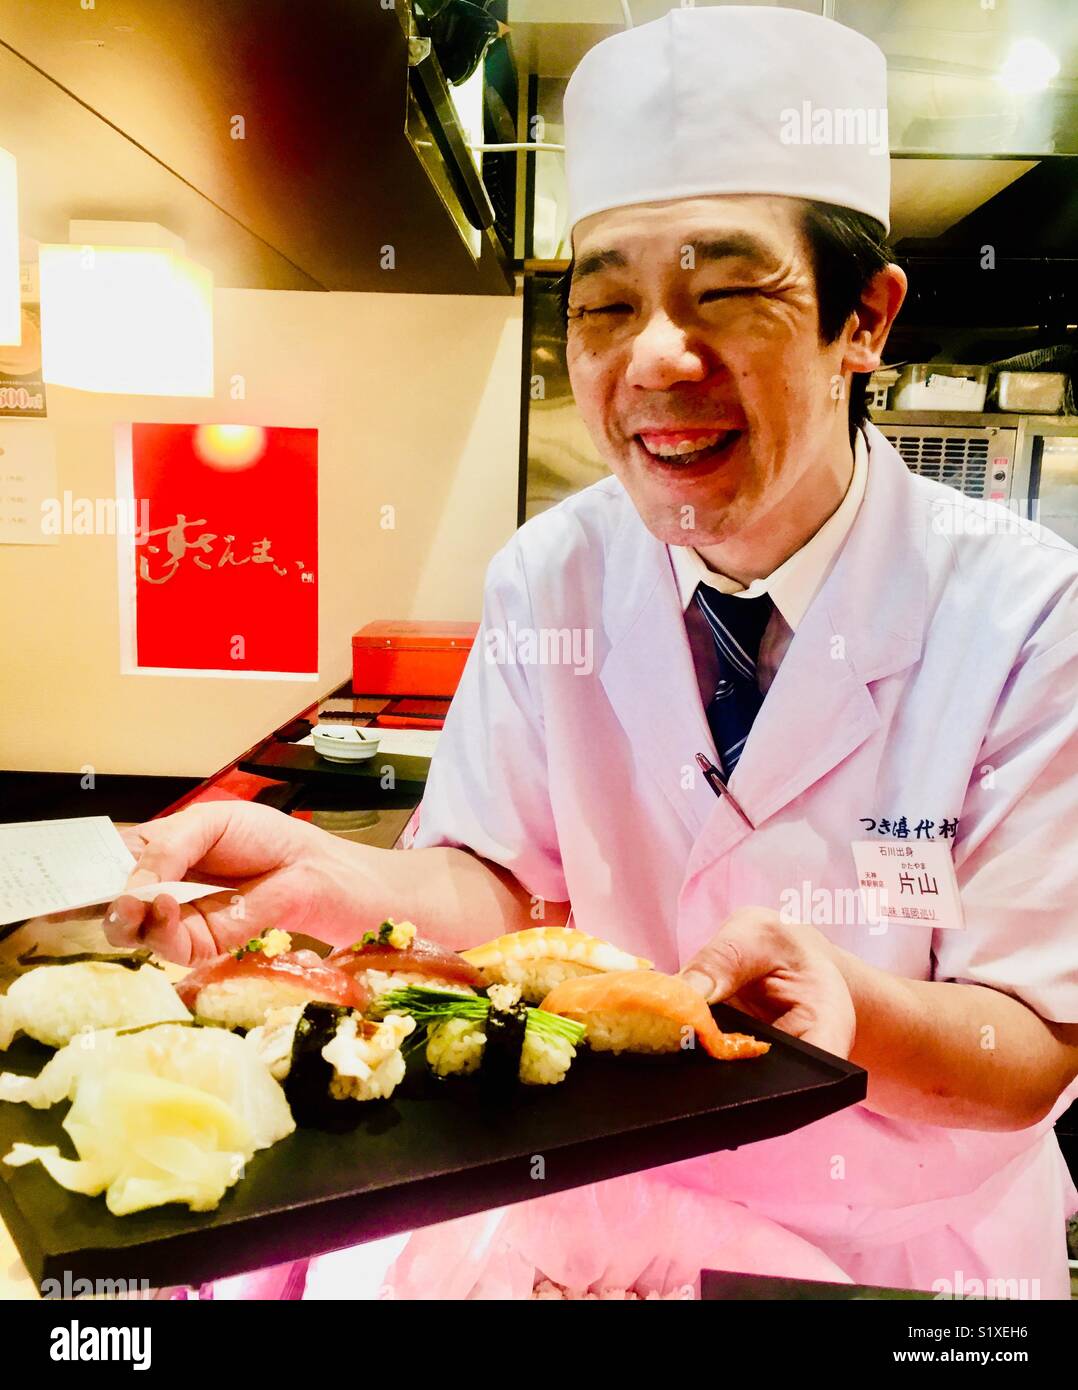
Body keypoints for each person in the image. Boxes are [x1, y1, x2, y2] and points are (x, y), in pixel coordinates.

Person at [106, 8, 1078, 1295]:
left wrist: (853, 1001)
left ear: (867, 319)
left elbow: (1031, 1045)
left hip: (895, 1250)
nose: (655, 358)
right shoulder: (550, 573)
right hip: (614, 1214)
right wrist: (342, 881)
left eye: (725, 291)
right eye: (607, 301)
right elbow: (498, 884)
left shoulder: (1025, 612)